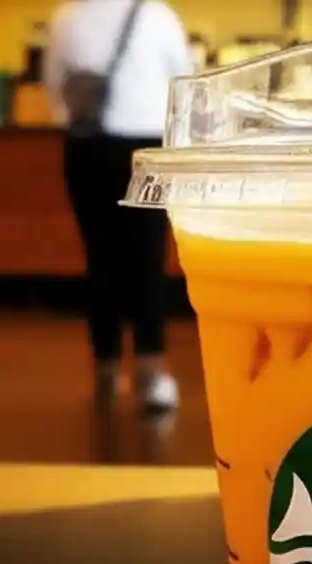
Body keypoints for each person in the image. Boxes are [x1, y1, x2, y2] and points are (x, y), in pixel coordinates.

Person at [45, 0, 192, 412]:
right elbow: (186, 84)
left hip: (85, 146)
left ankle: (105, 368)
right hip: (146, 147)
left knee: (99, 258)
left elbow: (54, 84)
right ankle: (151, 369)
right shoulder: (158, 16)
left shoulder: (67, 17)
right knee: (147, 258)